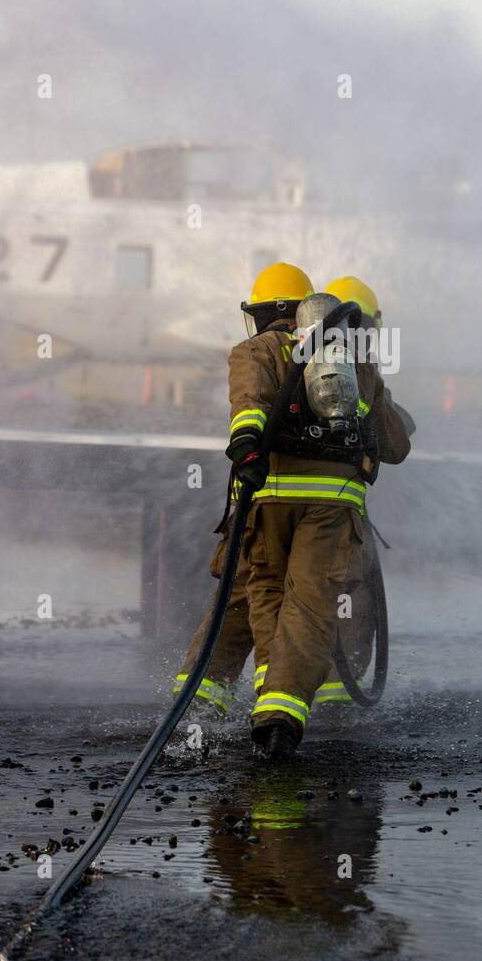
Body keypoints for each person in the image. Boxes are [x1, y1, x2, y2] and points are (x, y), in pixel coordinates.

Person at [173, 274, 411, 718]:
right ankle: (299, 705)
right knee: (314, 607)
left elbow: (249, 408)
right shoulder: (352, 364)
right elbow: (395, 445)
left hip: (262, 505)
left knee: (248, 598)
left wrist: (247, 453)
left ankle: (201, 704)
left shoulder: (267, 352)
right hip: (331, 513)